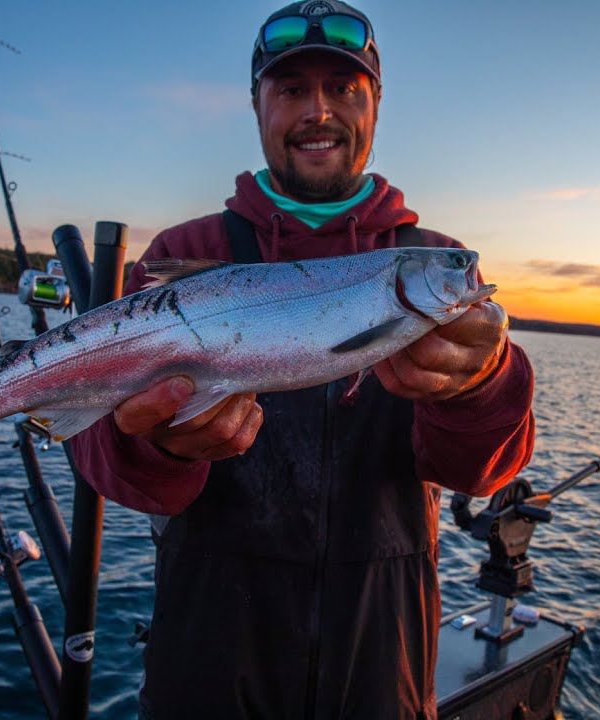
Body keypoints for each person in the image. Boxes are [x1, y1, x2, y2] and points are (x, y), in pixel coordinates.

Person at [69, 2, 536, 717]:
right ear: (257, 105)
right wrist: (159, 444)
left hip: (382, 662)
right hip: (207, 663)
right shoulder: (183, 256)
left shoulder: (432, 259)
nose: (319, 110)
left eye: (345, 88)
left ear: (376, 103)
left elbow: (482, 471)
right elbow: (104, 462)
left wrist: (480, 387)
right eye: (291, 89)